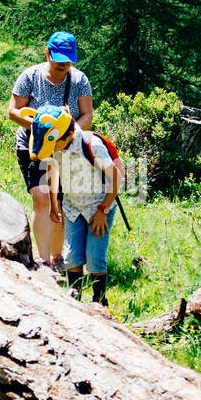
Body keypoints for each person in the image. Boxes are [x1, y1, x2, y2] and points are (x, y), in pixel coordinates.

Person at [7, 31, 92, 271]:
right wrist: (41, 126)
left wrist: (69, 130)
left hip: (65, 150)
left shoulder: (79, 80)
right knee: (43, 198)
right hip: (33, 148)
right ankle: (43, 262)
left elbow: (87, 115)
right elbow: (13, 111)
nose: (63, 65)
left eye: (68, 61)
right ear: (47, 53)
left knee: (61, 203)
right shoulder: (30, 77)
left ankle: (57, 258)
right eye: (58, 60)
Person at [41, 121, 121, 307]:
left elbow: (117, 178)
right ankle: (74, 296)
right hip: (73, 207)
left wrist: (103, 210)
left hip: (99, 206)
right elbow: (52, 171)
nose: (52, 148)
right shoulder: (54, 144)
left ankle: (99, 300)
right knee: (72, 255)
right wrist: (55, 203)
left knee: (95, 256)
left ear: (68, 135)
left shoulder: (92, 146)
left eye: (55, 143)